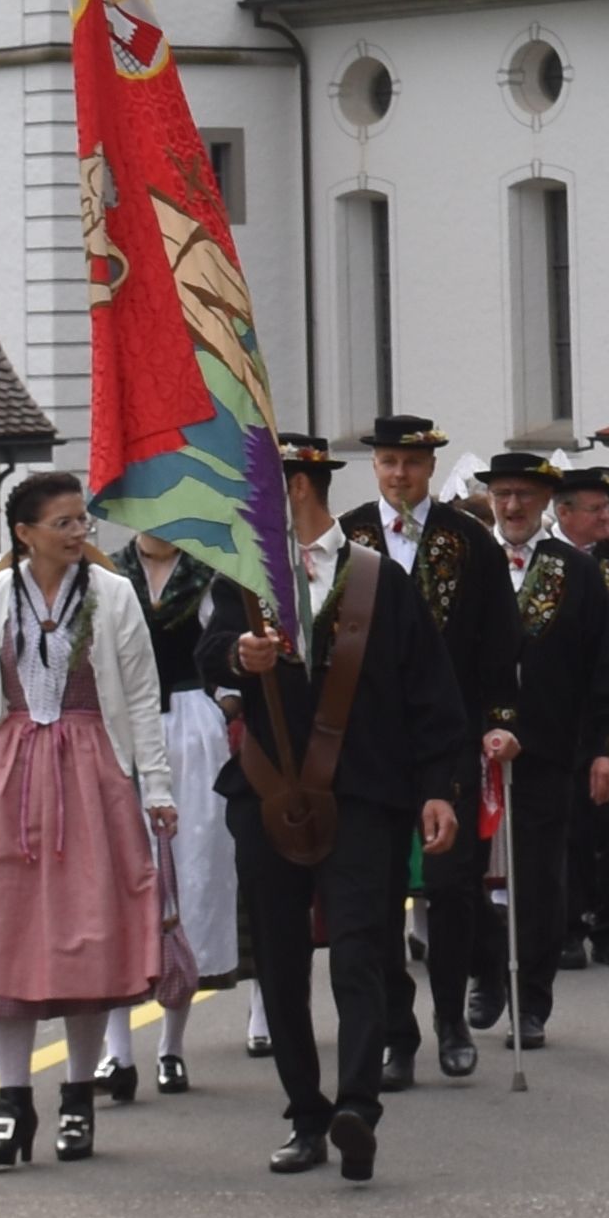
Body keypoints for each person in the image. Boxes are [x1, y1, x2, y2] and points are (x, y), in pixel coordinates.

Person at [219, 494, 471, 1183]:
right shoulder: (239, 574)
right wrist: (240, 655)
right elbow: (205, 647)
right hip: (268, 794)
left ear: (300, 489)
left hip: (363, 795)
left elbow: (432, 692)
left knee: (361, 950)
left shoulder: (378, 578)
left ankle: (357, 1107)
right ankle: (305, 1115)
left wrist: (437, 789)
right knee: (280, 962)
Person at [0, 471, 168, 1172]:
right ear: (25, 533)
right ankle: (11, 1101)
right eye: (65, 523)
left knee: (85, 933)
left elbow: (139, 691)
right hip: (8, 770)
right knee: (2, 933)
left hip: (91, 765)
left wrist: (154, 786)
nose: (78, 535)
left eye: (82, 523)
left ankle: (77, 1096)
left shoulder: (113, 595)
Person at [343, 412, 516, 1072]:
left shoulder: (470, 540)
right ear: (375, 466)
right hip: (371, 743)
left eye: (411, 464)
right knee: (381, 893)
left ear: (430, 469)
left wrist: (502, 720)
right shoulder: (349, 535)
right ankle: (396, 1030)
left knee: (450, 884)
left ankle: (450, 1019)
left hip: (451, 737)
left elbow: (501, 642)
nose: (399, 474)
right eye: (388, 462)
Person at [498, 453, 609, 1040]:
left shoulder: (575, 571)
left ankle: (531, 999)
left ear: (546, 504)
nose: (512, 507)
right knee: (458, 879)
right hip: (467, 747)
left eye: (524, 496)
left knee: (536, 878)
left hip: (548, 748)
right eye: (503, 495)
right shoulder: (466, 562)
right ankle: (482, 974)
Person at [125, 515, 250, 1104]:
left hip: (191, 724)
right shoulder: (106, 573)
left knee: (195, 875)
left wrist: (226, 704)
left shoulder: (206, 573)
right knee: (124, 882)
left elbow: (222, 653)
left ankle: (171, 1045)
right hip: (122, 728)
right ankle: (114, 1049)